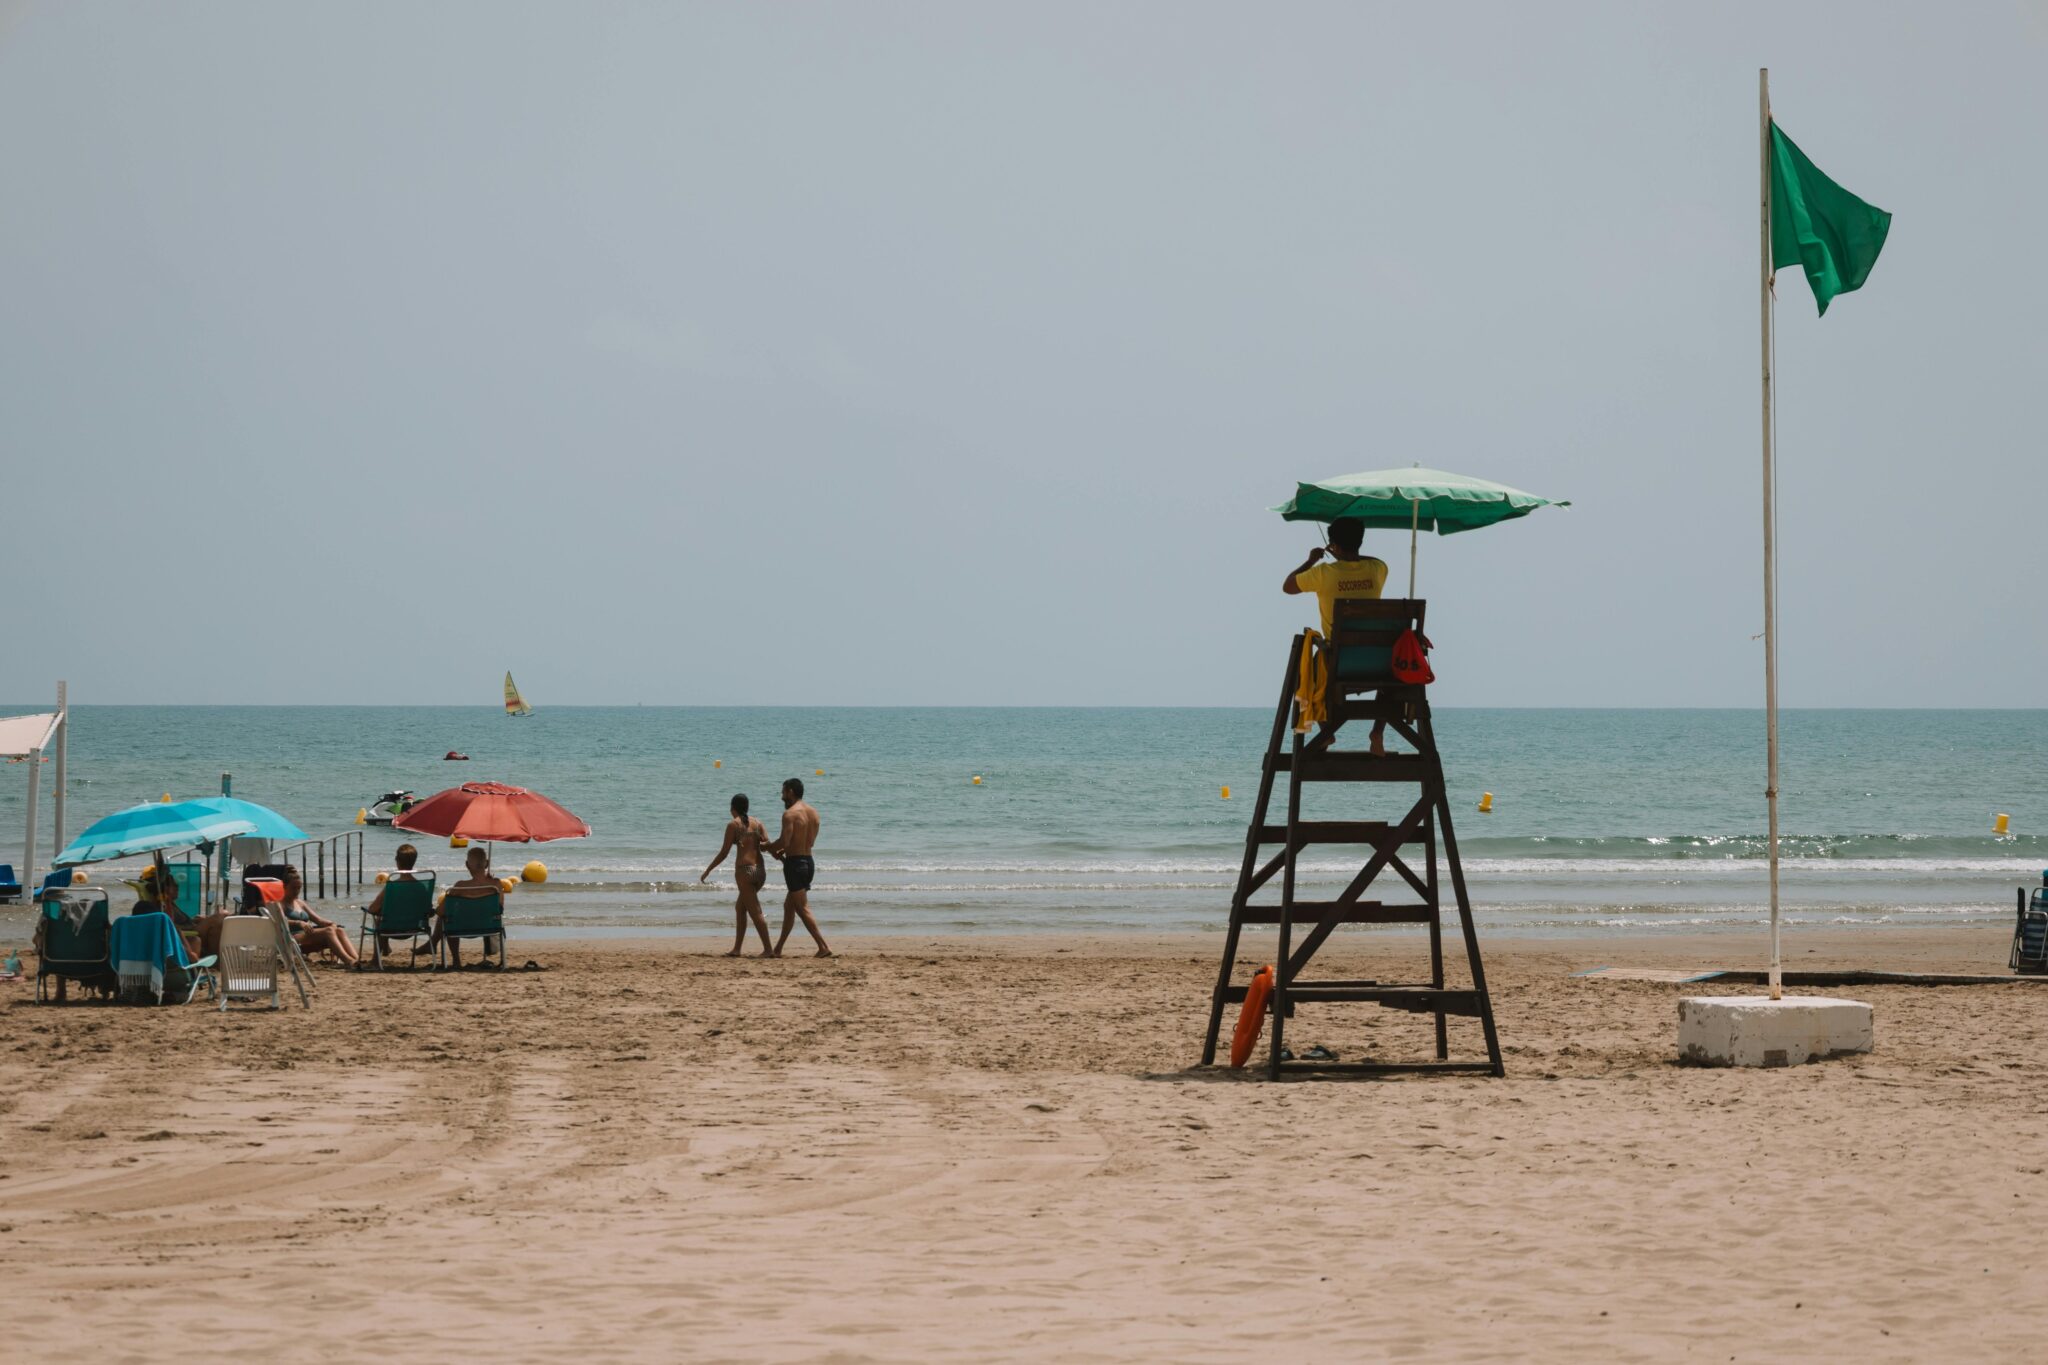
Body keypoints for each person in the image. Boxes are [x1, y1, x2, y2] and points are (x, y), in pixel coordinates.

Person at [1282, 515, 1392, 757]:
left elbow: (1288, 586)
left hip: (1338, 664)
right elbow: (1376, 560)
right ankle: (1377, 733)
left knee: (1305, 675)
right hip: (1381, 665)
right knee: (1393, 673)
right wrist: (1347, 554)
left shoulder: (1324, 573)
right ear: (1360, 541)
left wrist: (1311, 560)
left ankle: (1326, 732)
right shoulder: (1377, 570)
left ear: (1334, 545)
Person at [702, 794, 776, 957]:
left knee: (755, 912)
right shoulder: (758, 823)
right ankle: (737, 949)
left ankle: (768, 949)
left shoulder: (733, 825)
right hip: (760, 871)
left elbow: (724, 853)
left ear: (732, 808)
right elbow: (767, 844)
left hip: (745, 871)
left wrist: (708, 869)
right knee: (740, 908)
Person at [766, 778, 832, 958]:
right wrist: (782, 852)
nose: (781, 797)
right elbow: (809, 842)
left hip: (795, 865)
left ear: (791, 792)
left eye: (783, 792)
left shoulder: (790, 814)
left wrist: (767, 846)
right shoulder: (814, 813)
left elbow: (784, 842)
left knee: (802, 908)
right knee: (789, 906)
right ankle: (778, 949)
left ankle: (823, 946)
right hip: (808, 862)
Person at [133, 862, 229, 960]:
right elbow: (171, 926)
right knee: (220, 917)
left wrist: (194, 920)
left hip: (191, 928)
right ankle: (218, 960)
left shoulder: (169, 903)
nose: (177, 887)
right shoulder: (161, 905)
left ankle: (216, 957)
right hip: (189, 931)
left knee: (224, 916)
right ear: (164, 887)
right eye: (174, 885)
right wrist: (192, 924)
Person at [436, 845, 506, 970]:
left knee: (447, 918)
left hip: (461, 928)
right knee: (449, 917)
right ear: (487, 864)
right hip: (489, 926)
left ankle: (455, 960)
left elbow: (440, 911)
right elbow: (500, 908)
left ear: (467, 865)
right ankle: (431, 943)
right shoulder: (496, 885)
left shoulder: (460, 886)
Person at [277, 865, 359, 966]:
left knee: (339, 930)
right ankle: (349, 961)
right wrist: (298, 923)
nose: (297, 891)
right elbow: (279, 921)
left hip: (307, 935)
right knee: (328, 931)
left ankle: (356, 959)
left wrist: (331, 923)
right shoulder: (280, 903)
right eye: (293, 888)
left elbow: (318, 920)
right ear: (284, 887)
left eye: (299, 888)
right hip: (293, 938)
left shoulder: (300, 903)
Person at [362, 842, 425, 963]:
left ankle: (376, 959)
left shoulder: (392, 887)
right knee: (385, 914)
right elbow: (427, 909)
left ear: (397, 861)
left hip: (390, 929)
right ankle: (385, 948)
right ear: (414, 861)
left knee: (380, 917)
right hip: (414, 928)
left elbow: (372, 909)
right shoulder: (422, 887)